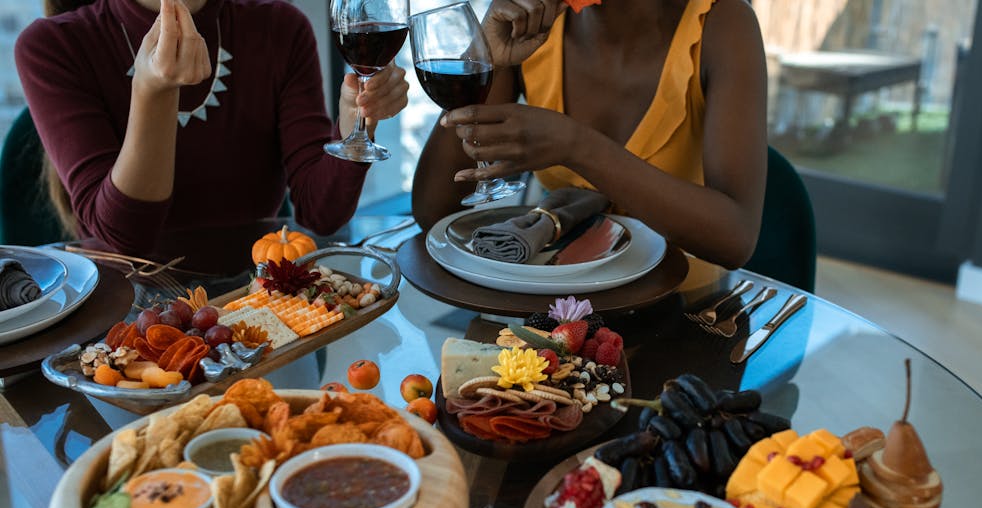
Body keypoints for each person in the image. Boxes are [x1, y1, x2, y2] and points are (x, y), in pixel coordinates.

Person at [15, 0, 410, 258]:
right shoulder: (52, 45)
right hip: (123, 329)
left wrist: (353, 124)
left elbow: (321, 216)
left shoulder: (280, 27)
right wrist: (154, 91)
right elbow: (125, 239)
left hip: (260, 305)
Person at [412, 0, 767, 269]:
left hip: (685, 312)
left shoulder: (723, 23)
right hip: (550, 307)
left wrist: (576, 146)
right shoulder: (534, 20)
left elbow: (735, 238)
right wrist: (486, 57)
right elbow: (434, 210)